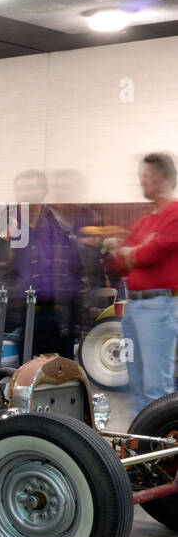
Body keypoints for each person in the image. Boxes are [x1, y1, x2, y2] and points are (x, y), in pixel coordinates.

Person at [105, 152, 178, 411]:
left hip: (158, 307)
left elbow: (152, 252)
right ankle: (142, 441)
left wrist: (133, 252)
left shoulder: (175, 212)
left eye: (146, 177)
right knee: (134, 381)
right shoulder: (145, 221)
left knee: (156, 385)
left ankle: (162, 446)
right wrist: (132, 253)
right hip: (133, 308)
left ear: (165, 178)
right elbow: (118, 262)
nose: (142, 183)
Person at [6, 170, 83, 358]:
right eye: (21, 189)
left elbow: (76, 273)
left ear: (44, 192)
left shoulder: (60, 229)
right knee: (23, 376)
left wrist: (79, 318)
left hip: (58, 317)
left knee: (61, 375)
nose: (26, 194)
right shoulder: (6, 228)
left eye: (31, 188)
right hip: (21, 317)